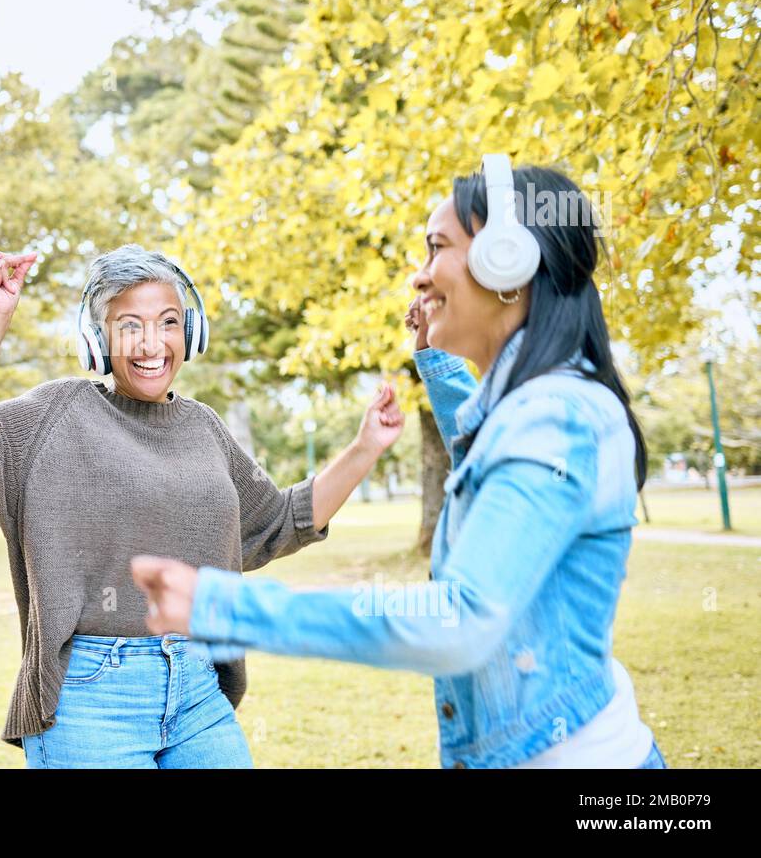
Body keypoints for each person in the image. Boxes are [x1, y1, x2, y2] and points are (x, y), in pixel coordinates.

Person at [132, 157, 666, 769]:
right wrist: (438, 367)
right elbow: (492, 468)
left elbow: (459, 620)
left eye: (438, 247)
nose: (419, 276)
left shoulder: (556, 417)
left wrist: (223, 606)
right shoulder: (539, 409)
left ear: (509, 261)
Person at [0, 243, 403, 767]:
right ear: (97, 340)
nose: (152, 343)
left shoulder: (203, 427)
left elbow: (277, 522)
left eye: (169, 322)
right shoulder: (58, 414)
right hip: (92, 699)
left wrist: (366, 448)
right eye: (129, 324)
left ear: (189, 333)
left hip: (198, 688)